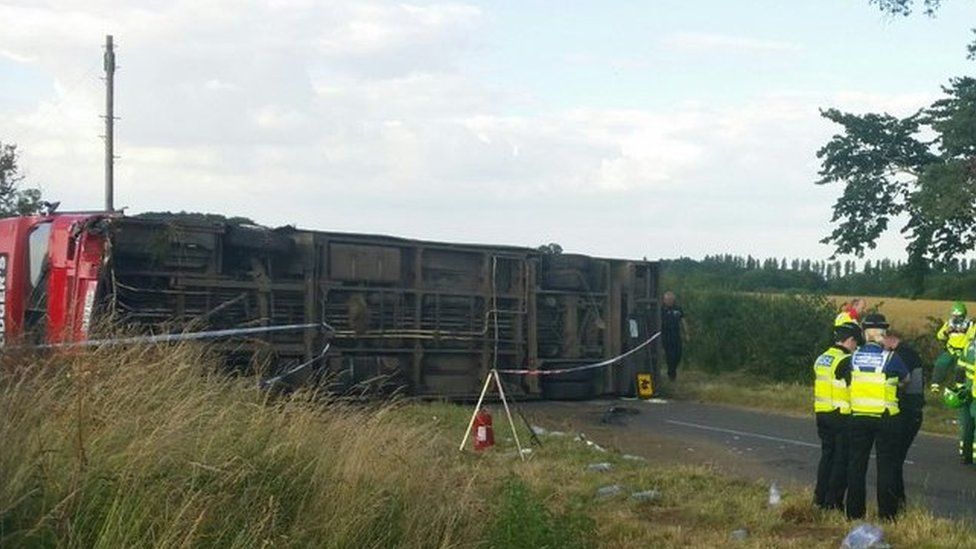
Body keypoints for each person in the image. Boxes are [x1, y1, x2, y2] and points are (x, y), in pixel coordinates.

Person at [838, 313, 909, 521]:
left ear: (864, 333)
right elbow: (906, 379)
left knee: (856, 466)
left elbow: (844, 378)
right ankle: (887, 515)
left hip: (858, 417)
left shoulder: (852, 358)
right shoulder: (891, 358)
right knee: (886, 467)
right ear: (883, 334)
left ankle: (854, 513)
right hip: (886, 418)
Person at [813, 322, 861, 510]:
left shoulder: (822, 358)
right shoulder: (845, 361)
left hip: (822, 412)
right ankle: (833, 502)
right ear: (850, 340)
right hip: (840, 415)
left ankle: (819, 498)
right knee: (841, 460)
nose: (856, 347)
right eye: (856, 343)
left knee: (827, 457)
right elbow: (854, 388)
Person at [931, 301, 974, 463]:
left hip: (964, 363)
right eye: (955, 316)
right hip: (952, 352)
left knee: (967, 422)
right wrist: (947, 331)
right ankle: (935, 385)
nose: (956, 319)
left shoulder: (969, 328)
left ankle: (966, 453)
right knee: (941, 364)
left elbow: (962, 369)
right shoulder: (950, 324)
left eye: (959, 316)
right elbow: (940, 336)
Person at [883, 332, 924, 505]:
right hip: (911, 411)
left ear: (890, 338)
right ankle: (898, 502)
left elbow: (899, 381)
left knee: (893, 460)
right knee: (895, 460)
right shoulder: (908, 352)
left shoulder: (902, 356)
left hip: (907, 412)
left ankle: (896, 502)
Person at [661, 291, 688, 382]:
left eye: (671, 299)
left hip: (676, 335)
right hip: (666, 336)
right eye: (668, 299)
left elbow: (683, 321)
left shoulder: (678, 309)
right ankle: (671, 374)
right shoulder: (661, 310)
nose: (670, 301)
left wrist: (686, 333)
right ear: (664, 300)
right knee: (670, 356)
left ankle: (672, 370)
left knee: (678, 354)